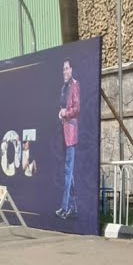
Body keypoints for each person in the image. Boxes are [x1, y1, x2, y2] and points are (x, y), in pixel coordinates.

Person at [56, 59, 80, 219]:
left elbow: (76, 109)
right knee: (68, 172)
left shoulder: (75, 85)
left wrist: (65, 113)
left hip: (70, 132)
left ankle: (65, 207)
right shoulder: (64, 87)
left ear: (71, 69)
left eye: (67, 68)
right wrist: (60, 112)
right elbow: (61, 106)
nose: (65, 71)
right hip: (63, 132)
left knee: (67, 171)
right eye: (63, 69)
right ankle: (73, 206)